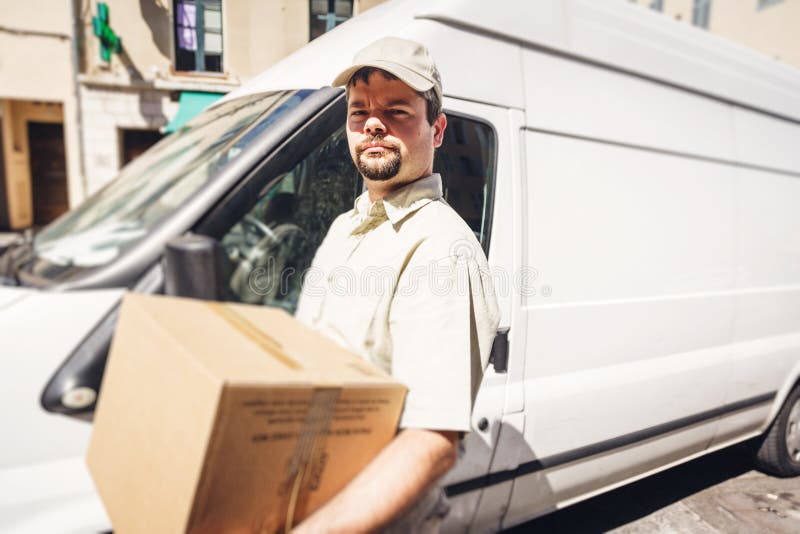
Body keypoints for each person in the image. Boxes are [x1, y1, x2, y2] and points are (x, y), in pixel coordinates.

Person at [294, 36, 499, 533]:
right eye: (358, 110)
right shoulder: (349, 225)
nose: (373, 123)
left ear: (438, 129)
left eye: (397, 109)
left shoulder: (440, 246)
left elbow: (430, 444)